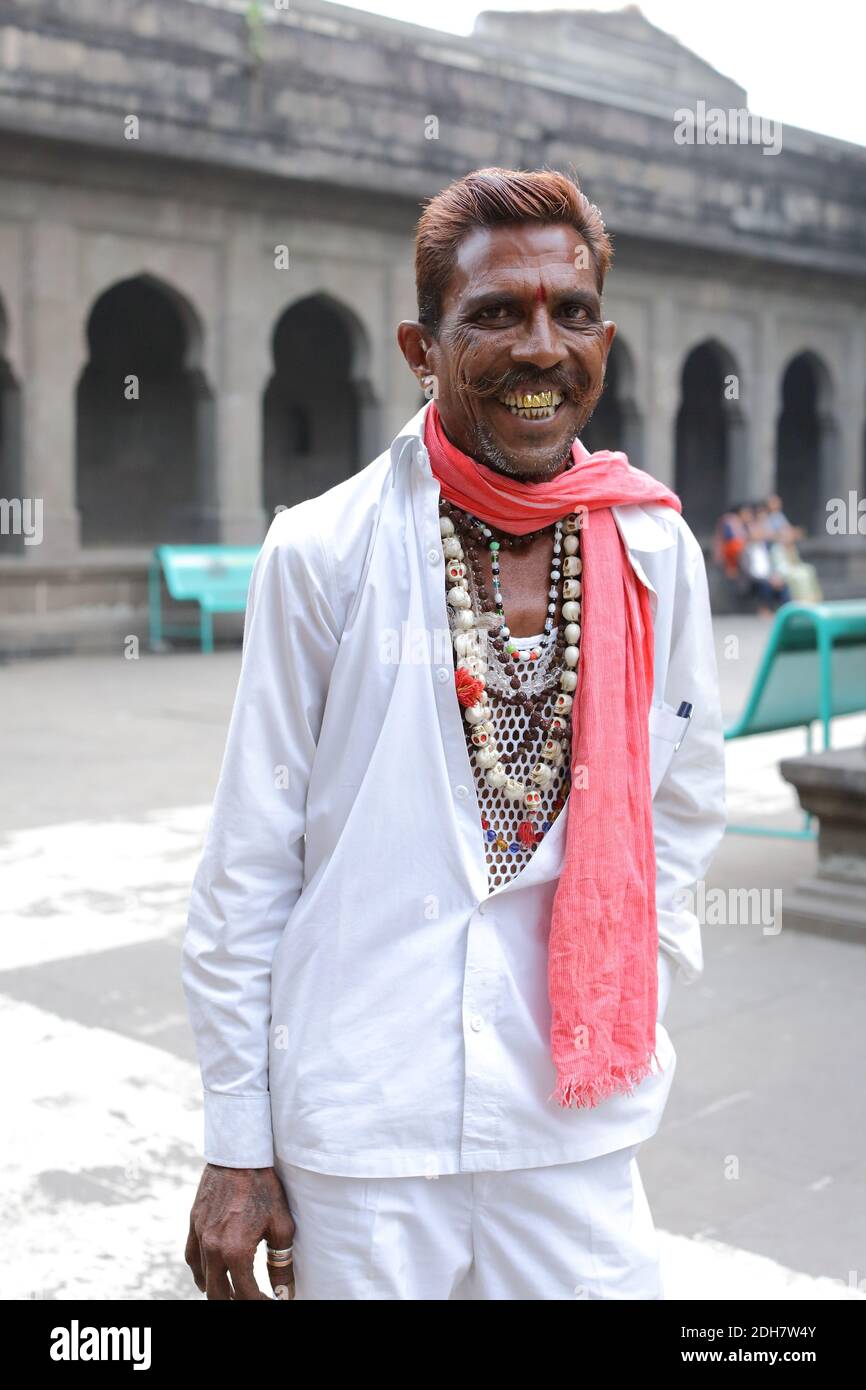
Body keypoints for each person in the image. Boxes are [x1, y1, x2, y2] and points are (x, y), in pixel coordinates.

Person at [181, 167, 727, 1301]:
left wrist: (624, 977)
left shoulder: (651, 548)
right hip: (366, 1128)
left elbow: (682, 802)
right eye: (493, 314)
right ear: (418, 349)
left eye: (569, 312)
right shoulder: (323, 550)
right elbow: (247, 861)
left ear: (604, 337)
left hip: (569, 1117)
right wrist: (238, 1139)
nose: (540, 348)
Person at [763, 493, 823, 601]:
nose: (777, 504)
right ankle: (800, 601)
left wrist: (794, 532)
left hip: (784, 549)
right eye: (773, 502)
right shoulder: (765, 518)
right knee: (799, 576)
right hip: (775, 555)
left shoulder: (779, 516)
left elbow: (786, 528)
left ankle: (811, 600)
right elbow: (769, 534)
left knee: (808, 570)